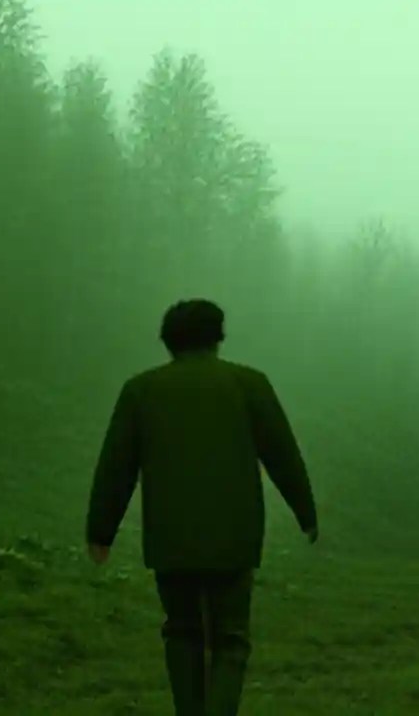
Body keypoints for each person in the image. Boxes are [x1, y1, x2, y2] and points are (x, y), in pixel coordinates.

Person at [84, 299, 318, 716]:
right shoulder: (249, 384)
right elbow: (282, 455)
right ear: (217, 337)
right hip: (235, 537)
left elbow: (116, 467)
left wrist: (101, 532)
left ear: (168, 341)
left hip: (170, 539)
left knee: (182, 634)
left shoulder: (141, 391)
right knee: (231, 639)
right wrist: (306, 513)